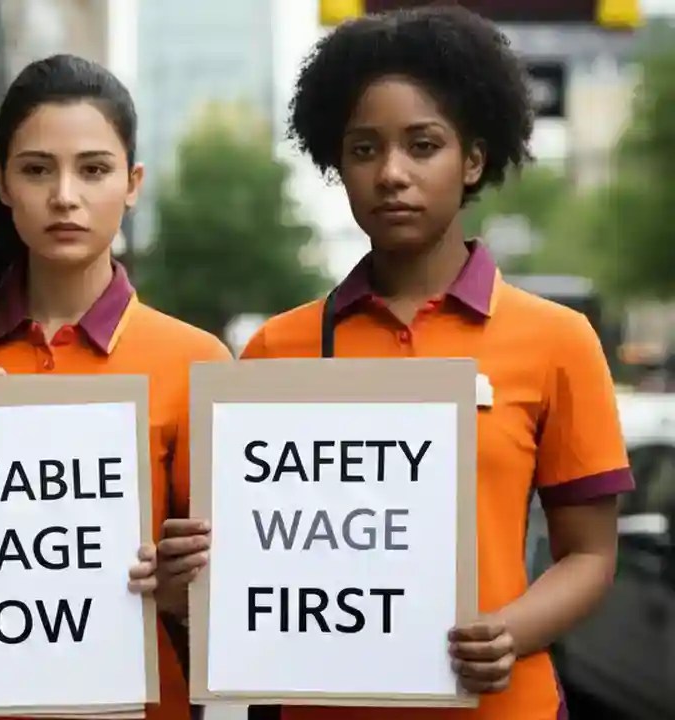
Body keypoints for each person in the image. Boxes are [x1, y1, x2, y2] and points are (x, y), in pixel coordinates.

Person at [158, 6, 632, 720]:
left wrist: (512, 631)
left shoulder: (558, 341)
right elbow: (243, 566)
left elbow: (590, 556)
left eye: (423, 144)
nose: (392, 174)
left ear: (473, 158)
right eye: (364, 149)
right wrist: (187, 573)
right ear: (335, 162)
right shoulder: (273, 351)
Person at [0, 54, 231, 720]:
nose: (64, 196)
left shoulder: (197, 361)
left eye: (93, 169)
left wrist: (181, 589)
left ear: (133, 183)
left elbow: (239, 600)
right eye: (36, 169)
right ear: (1, 183)